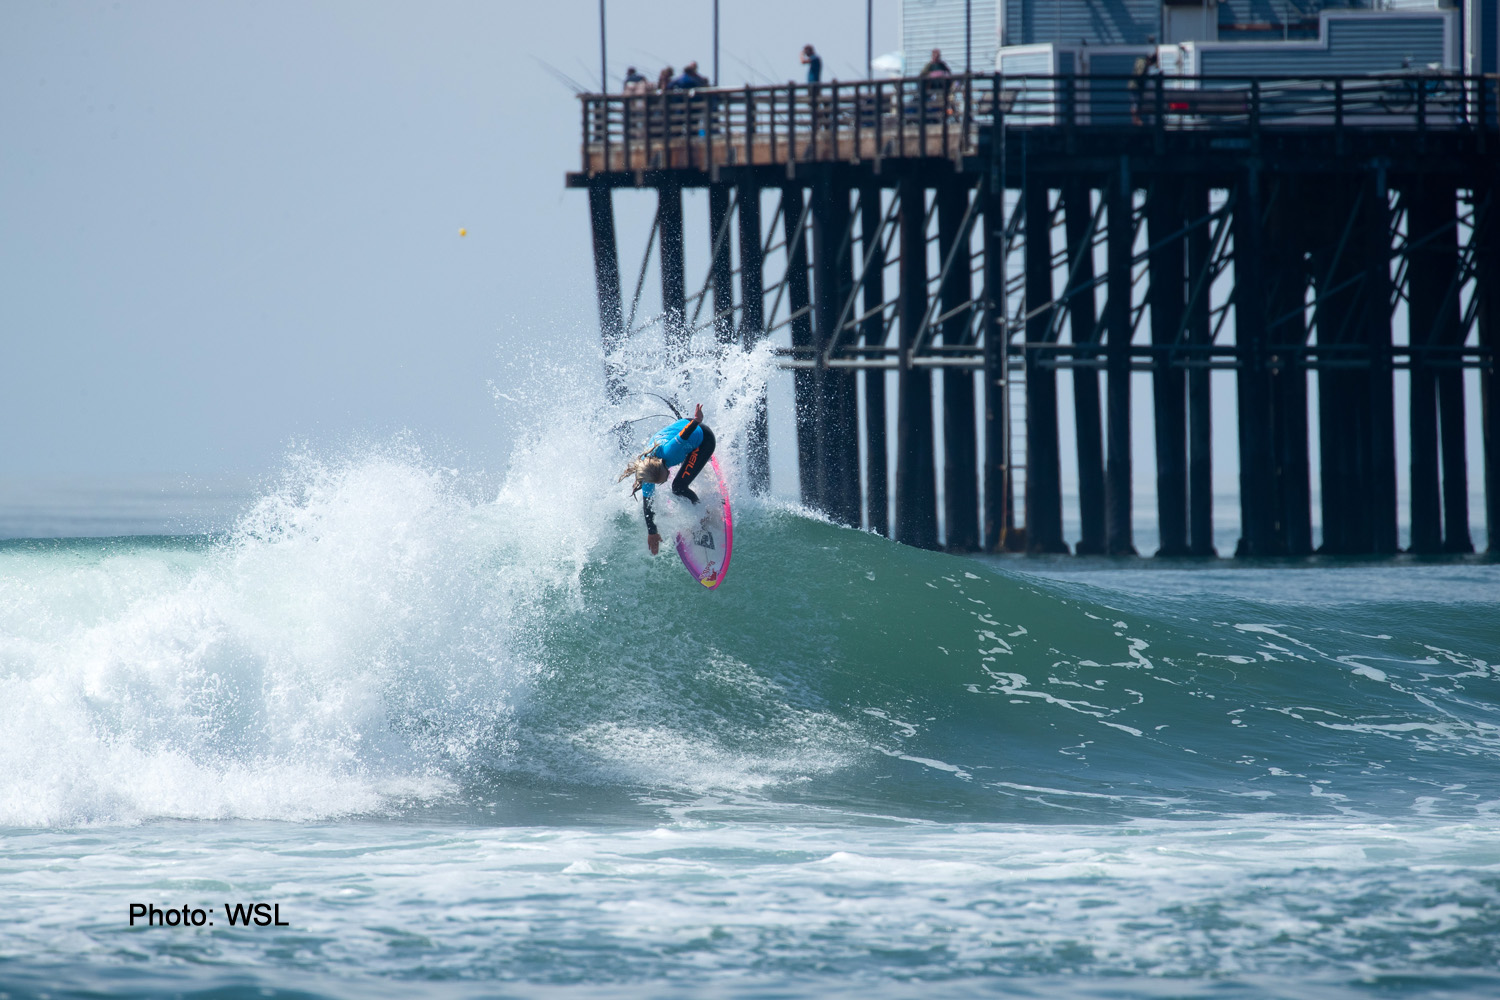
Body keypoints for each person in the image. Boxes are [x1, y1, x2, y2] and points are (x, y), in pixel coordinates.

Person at [617, 404, 715, 555]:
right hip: (685, 428)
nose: (662, 482)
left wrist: (696, 420)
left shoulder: (669, 452)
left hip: (703, 437)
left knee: (678, 488)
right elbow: (647, 504)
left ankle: (704, 516)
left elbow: (683, 435)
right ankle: (694, 461)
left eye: (661, 480)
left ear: (663, 467)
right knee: (677, 483)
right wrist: (652, 532)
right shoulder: (647, 468)